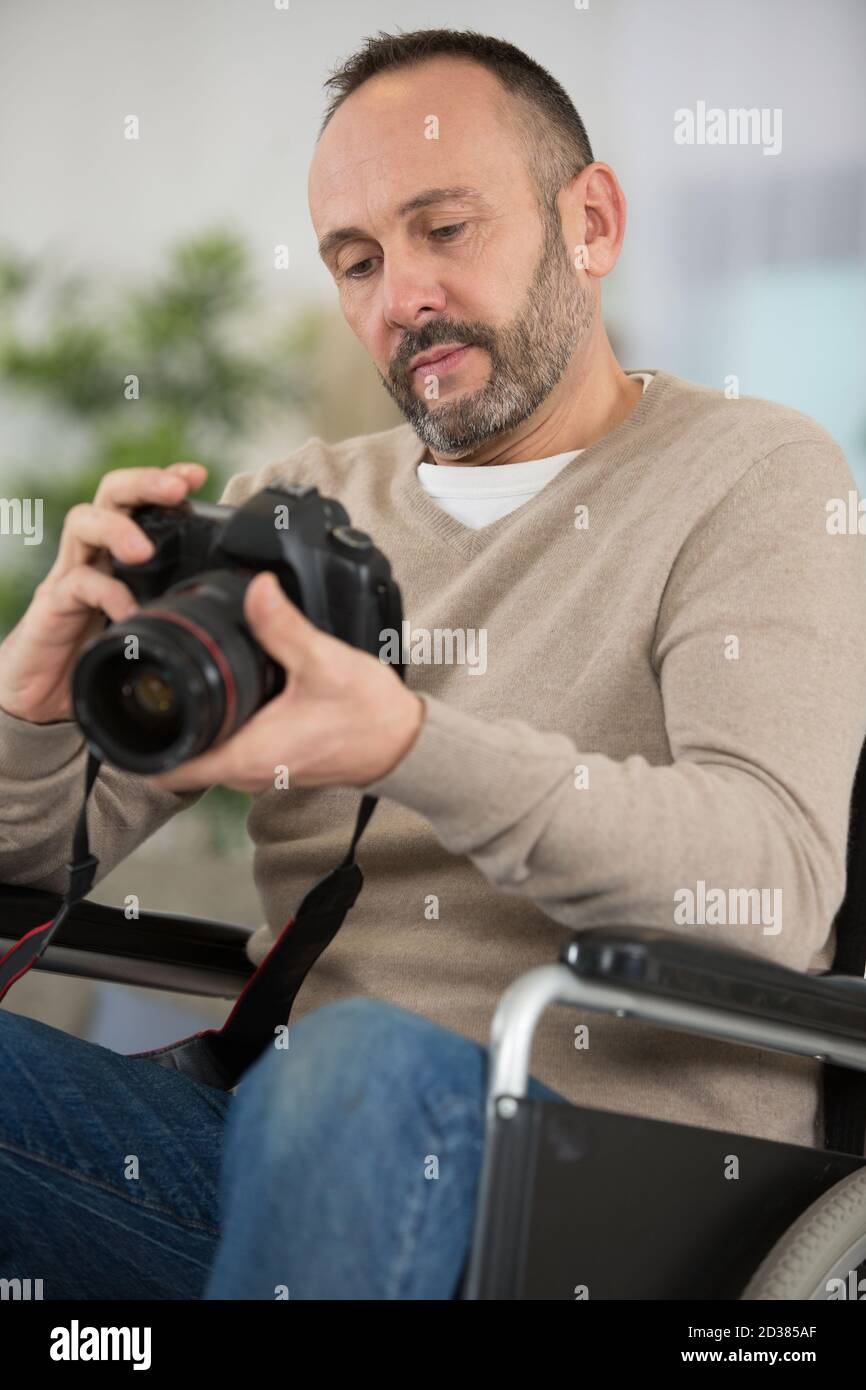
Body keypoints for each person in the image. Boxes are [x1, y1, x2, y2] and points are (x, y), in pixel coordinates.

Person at [2, 28, 865, 1301]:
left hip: (607, 1186)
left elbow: (772, 884)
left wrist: (408, 744)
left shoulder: (752, 474)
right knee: (325, 1081)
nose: (398, 294)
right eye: (356, 260)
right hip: (267, 1156)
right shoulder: (289, 510)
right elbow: (30, 864)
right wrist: (30, 704)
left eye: (443, 229)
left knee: (351, 1066)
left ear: (591, 219)